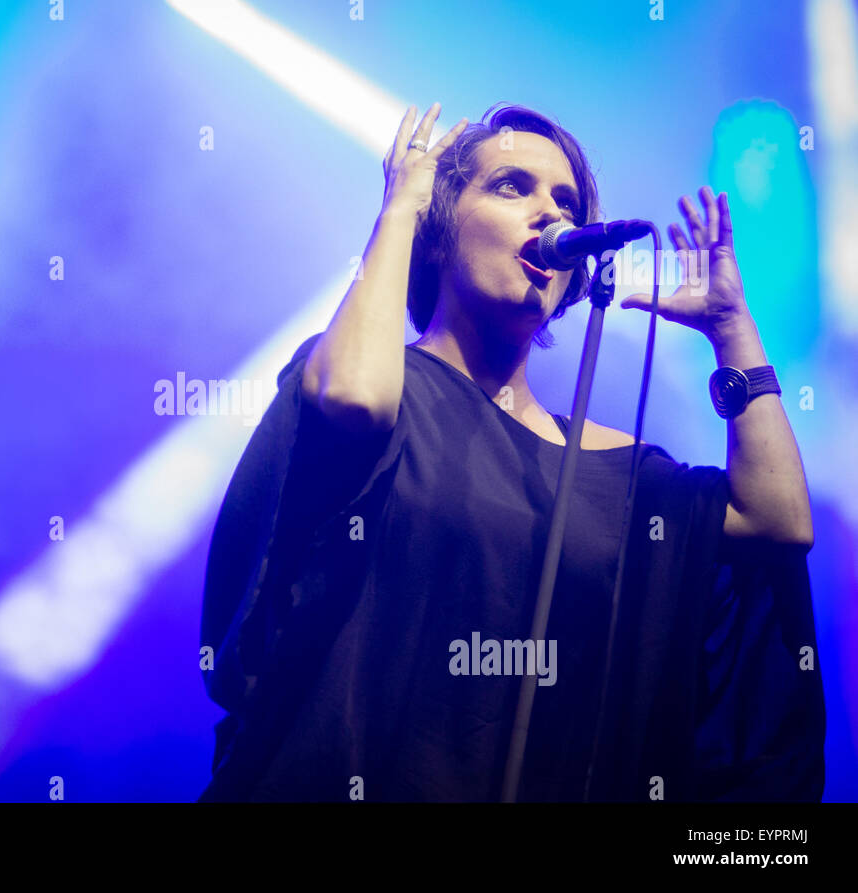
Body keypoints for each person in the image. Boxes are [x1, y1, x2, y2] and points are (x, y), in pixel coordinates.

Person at [198, 103, 825, 802]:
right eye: (511, 186)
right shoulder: (365, 378)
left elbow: (778, 521)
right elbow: (356, 397)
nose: (550, 214)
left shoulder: (616, 470)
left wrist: (733, 330)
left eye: (566, 202)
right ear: (440, 230)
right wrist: (402, 207)